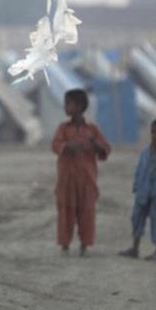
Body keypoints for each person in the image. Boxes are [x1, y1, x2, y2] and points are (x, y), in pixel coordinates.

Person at [52, 88, 111, 256]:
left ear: (79, 106)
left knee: (87, 212)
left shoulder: (92, 130)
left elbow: (105, 149)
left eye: (68, 103)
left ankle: (85, 245)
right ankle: (65, 244)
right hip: (66, 180)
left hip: (87, 180)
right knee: (65, 212)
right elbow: (55, 145)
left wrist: (95, 145)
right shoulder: (63, 128)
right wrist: (67, 146)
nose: (65, 107)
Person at [120, 118, 156, 261]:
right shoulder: (145, 153)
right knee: (136, 218)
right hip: (142, 192)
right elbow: (139, 170)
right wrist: (137, 186)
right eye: (153, 132)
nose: (155, 135)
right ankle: (135, 247)